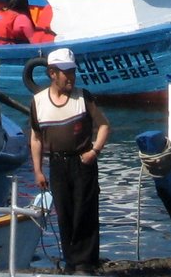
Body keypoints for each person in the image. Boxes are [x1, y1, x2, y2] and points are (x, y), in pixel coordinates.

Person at [29, 47, 110, 275]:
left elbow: (104, 126)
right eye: (66, 73)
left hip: (82, 161)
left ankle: (85, 262)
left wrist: (95, 150)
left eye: (73, 72)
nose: (71, 77)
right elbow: (35, 138)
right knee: (64, 212)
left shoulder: (83, 97)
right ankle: (71, 261)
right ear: (52, 73)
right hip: (57, 163)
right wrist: (38, 171)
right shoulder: (38, 102)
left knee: (84, 210)